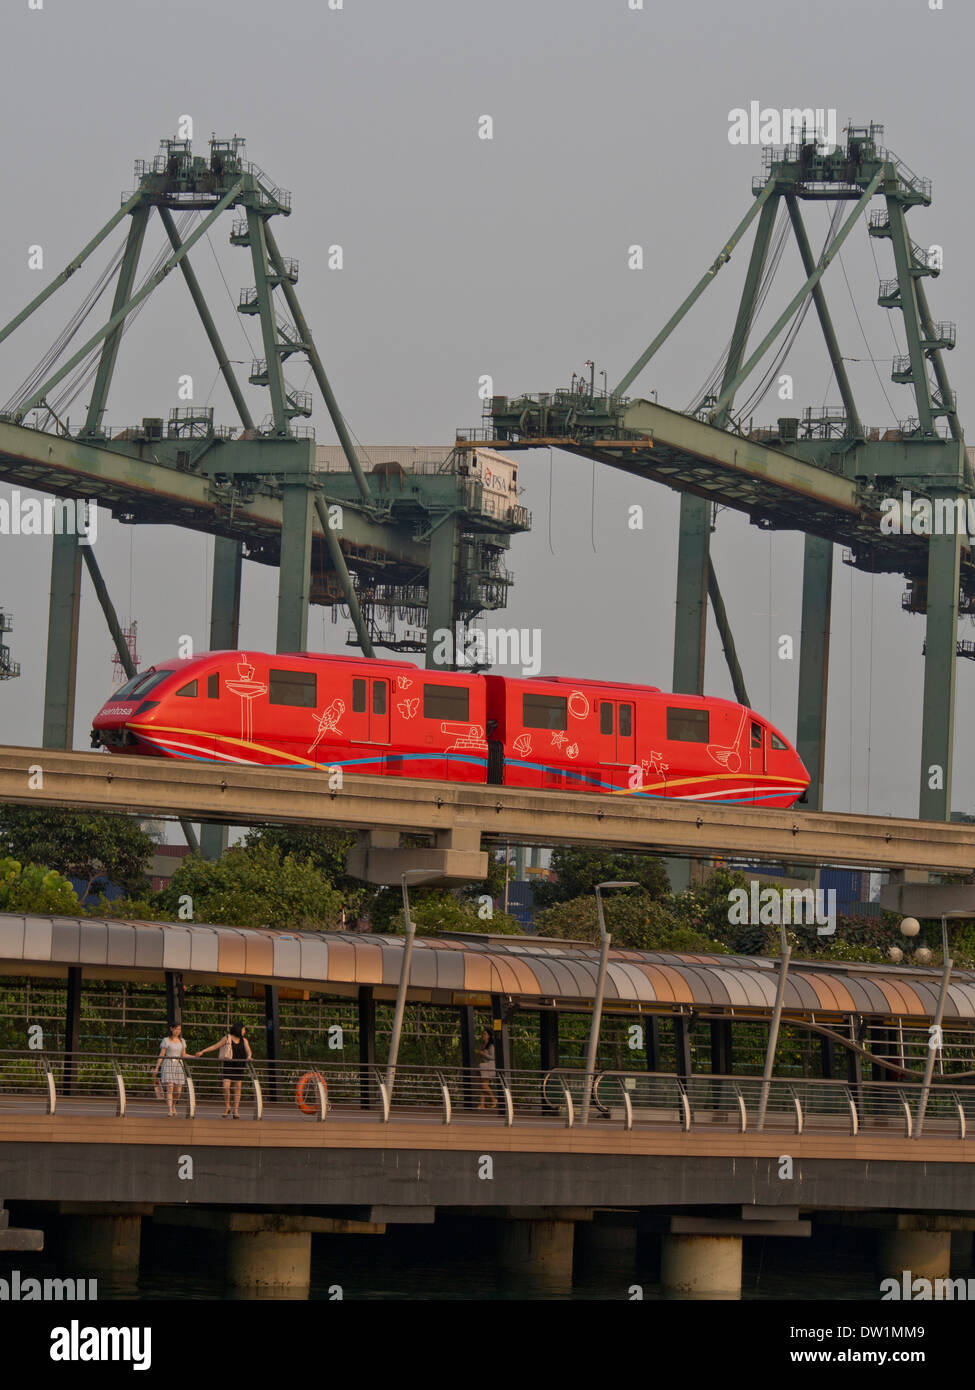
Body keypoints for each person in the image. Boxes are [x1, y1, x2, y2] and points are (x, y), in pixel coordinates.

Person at [195, 1021, 252, 1117]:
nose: (244, 1031)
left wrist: (249, 1057)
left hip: (239, 1065)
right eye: (243, 1029)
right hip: (229, 1065)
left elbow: (248, 1051)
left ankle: (236, 1110)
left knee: (238, 1088)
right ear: (238, 1029)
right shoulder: (227, 1038)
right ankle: (227, 1106)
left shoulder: (244, 1040)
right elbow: (215, 1046)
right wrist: (203, 1051)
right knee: (225, 1086)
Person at [153, 1022, 188, 1117]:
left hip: (178, 1065)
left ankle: (173, 1105)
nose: (178, 1031)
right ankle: (169, 1109)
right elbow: (162, 1054)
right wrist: (156, 1067)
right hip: (168, 1064)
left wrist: (195, 1056)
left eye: (179, 1029)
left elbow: (184, 1055)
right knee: (170, 1087)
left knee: (178, 1090)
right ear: (172, 1029)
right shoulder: (166, 1040)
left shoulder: (182, 1041)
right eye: (176, 1029)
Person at [477, 1028, 497, 1110]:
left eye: (485, 1034)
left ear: (489, 1036)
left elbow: (493, 1057)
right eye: (482, 1034)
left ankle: (493, 1099)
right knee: (482, 1086)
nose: (483, 1035)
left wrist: (483, 1054)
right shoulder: (482, 1045)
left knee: (484, 1085)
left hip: (490, 1066)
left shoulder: (491, 1046)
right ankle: (482, 1104)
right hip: (484, 1067)